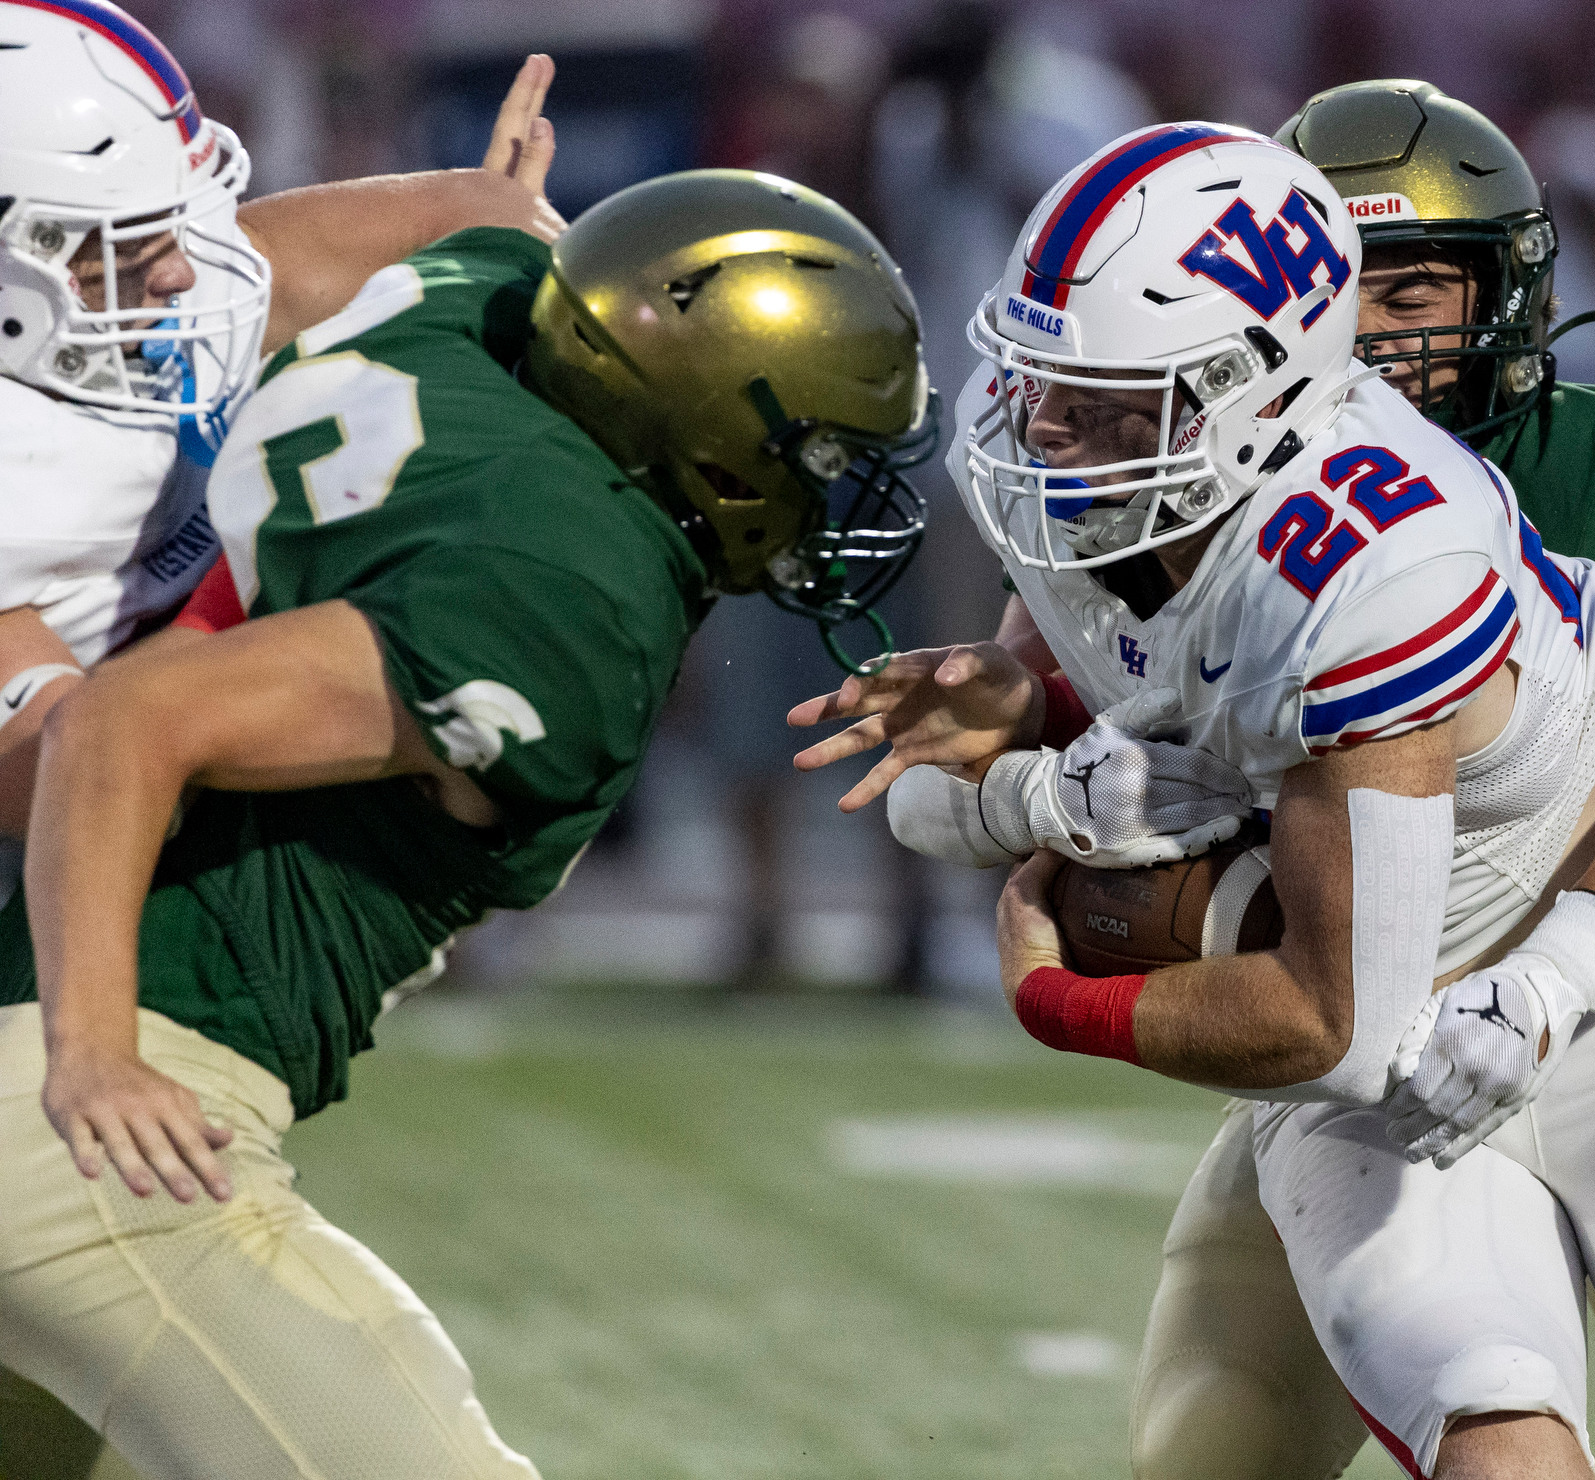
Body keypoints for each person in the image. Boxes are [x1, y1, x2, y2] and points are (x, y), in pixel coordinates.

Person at [802, 85, 1595, 1480]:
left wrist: (1551, 979)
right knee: (1244, 1449)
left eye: (1417, 288)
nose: (1057, 428)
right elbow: (979, 773)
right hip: (1362, 1027)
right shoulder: (1122, 466)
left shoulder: (1398, 545)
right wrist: (1043, 773)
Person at [0, 167, 931, 1477]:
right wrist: (88, 1059)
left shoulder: (484, 293)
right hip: (102, 1130)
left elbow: (456, 216)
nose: (827, 494)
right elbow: (125, 725)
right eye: (811, 452)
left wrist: (512, 195)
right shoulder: (568, 602)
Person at [0, 8, 565, 829]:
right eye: (132, 241)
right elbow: (84, 783)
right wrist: (283, 584)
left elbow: (477, 216)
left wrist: (492, 288)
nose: (183, 273)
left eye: (177, 218)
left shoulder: (152, 295)